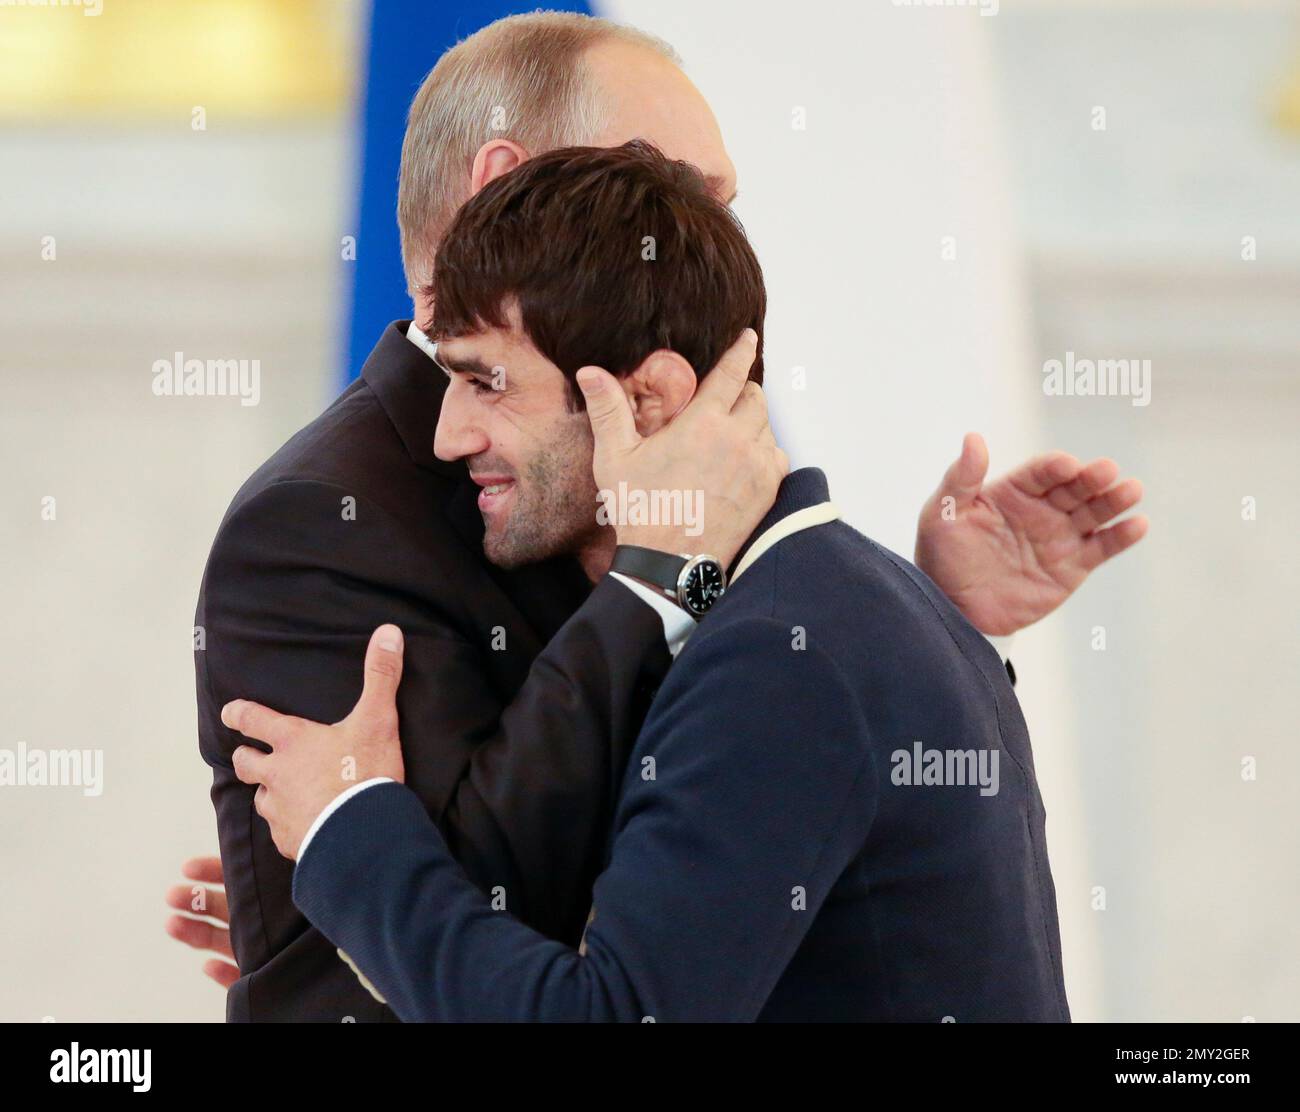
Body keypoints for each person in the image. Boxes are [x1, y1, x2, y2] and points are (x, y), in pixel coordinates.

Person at [168, 12, 1145, 1019]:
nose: (707, 233)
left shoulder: (776, 609)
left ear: (647, 396)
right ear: (505, 182)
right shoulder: (319, 519)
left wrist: (350, 843)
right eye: (674, 186)